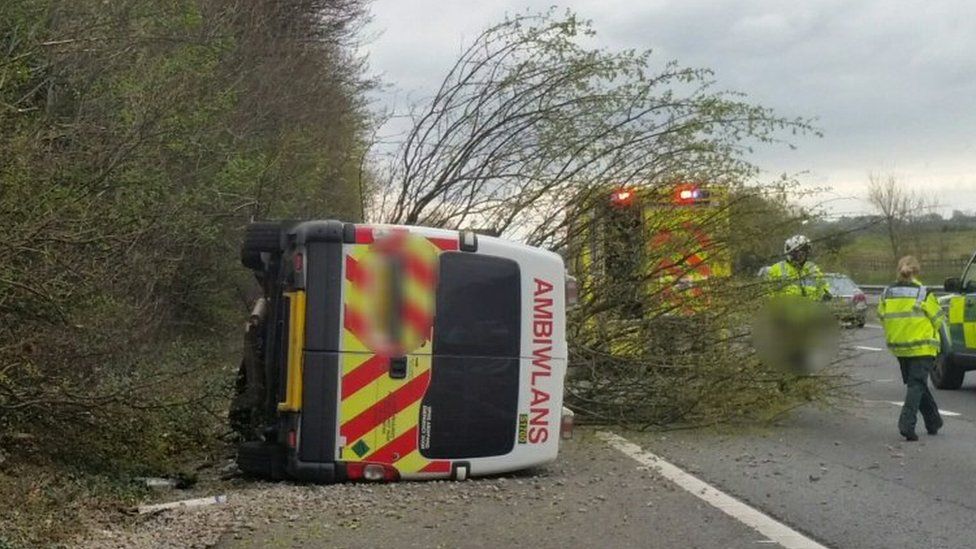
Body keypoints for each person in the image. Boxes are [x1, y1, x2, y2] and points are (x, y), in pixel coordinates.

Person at [878, 256, 945, 441]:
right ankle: (906, 424)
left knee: (917, 384)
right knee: (917, 384)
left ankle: (934, 421)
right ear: (917, 271)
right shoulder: (923, 293)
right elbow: (939, 320)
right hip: (922, 347)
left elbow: (881, 316)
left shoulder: (886, 293)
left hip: (900, 348)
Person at [763, 235, 831, 300]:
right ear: (791, 254)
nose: (801, 257)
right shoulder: (776, 269)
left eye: (804, 254)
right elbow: (768, 294)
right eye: (799, 254)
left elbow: (823, 286)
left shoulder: (812, 268)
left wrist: (826, 294)